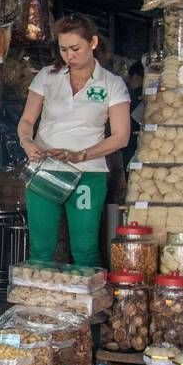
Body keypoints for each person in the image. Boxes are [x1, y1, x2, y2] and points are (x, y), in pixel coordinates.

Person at [17, 14, 131, 268]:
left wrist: (80, 155)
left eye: (75, 48)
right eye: (63, 49)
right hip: (44, 170)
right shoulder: (47, 76)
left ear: (92, 42)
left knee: (85, 248)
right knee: (41, 248)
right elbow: (26, 120)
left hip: (88, 173)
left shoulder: (112, 84)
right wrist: (27, 141)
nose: (69, 55)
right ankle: (40, 305)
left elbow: (121, 137)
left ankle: (84, 304)